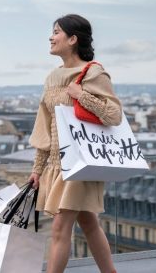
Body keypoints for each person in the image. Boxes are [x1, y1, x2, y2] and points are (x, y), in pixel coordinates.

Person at [28, 14, 122, 273]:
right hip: (57, 164)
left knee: (60, 228)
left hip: (81, 162)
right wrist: (37, 169)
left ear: (72, 39)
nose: (51, 37)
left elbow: (114, 115)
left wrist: (81, 95)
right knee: (89, 223)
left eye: (56, 32)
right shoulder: (52, 78)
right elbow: (45, 127)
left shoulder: (93, 73)